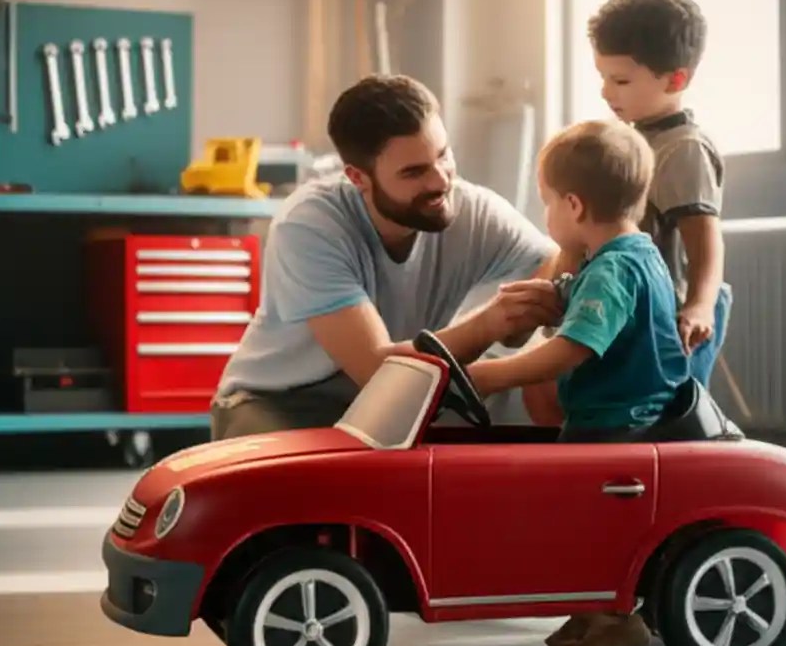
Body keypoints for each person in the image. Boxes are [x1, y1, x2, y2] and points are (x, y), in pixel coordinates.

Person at [210, 74, 576, 440]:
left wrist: (573, 249)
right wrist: (487, 325)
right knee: (301, 472)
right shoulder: (309, 226)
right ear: (358, 178)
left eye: (443, 155)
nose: (440, 181)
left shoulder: (474, 212)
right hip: (280, 402)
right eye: (414, 172)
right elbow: (377, 373)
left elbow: (557, 261)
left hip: (390, 409)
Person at [466, 119, 684, 646]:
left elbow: (573, 350)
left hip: (614, 423)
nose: (546, 215)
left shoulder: (612, 270)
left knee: (576, 521)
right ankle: (597, 612)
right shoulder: (637, 253)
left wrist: (491, 375)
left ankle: (611, 620)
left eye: (546, 203)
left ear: (574, 206)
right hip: (631, 415)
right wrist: (554, 294)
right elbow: (596, 308)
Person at [588, 0, 732, 388]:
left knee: (667, 416)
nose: (605, 91)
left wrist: (699, 307)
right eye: (602, 77)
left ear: (675, 80)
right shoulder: (635, 140)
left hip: (671, 323)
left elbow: (705, 241)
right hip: (637, 312)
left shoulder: (682, 149)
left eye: (620, 81)